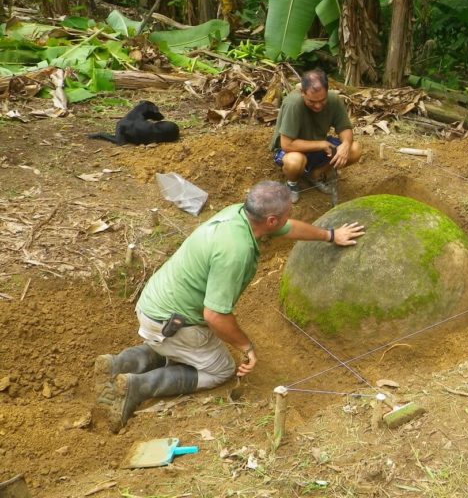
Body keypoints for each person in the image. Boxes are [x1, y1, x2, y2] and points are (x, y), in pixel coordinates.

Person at [93, 181, 364, 433]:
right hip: (172, 322)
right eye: (285, 213)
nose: (287, 218)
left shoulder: (238, 214)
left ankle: (121, 363)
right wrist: (246, 347)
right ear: (271, 220)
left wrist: (330, 234)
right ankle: (138, 386)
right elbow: (215, 315)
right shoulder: (237, 251)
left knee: (180, 345)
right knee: (220, 369)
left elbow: (289, 227)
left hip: (155, 303)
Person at [271, 68, 362, 203]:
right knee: (294, 161)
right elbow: (287, 144)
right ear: (303, 93)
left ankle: (316, 174)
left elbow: (345, 128)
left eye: (322, 100)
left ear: (327, 91)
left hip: (319, 146)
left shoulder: (333, 100)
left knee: (355, 149)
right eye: (312, 102)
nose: (318, 105)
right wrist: (322, 144)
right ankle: (292, 184)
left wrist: (345, 144)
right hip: (291, 150)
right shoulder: (293, 104)